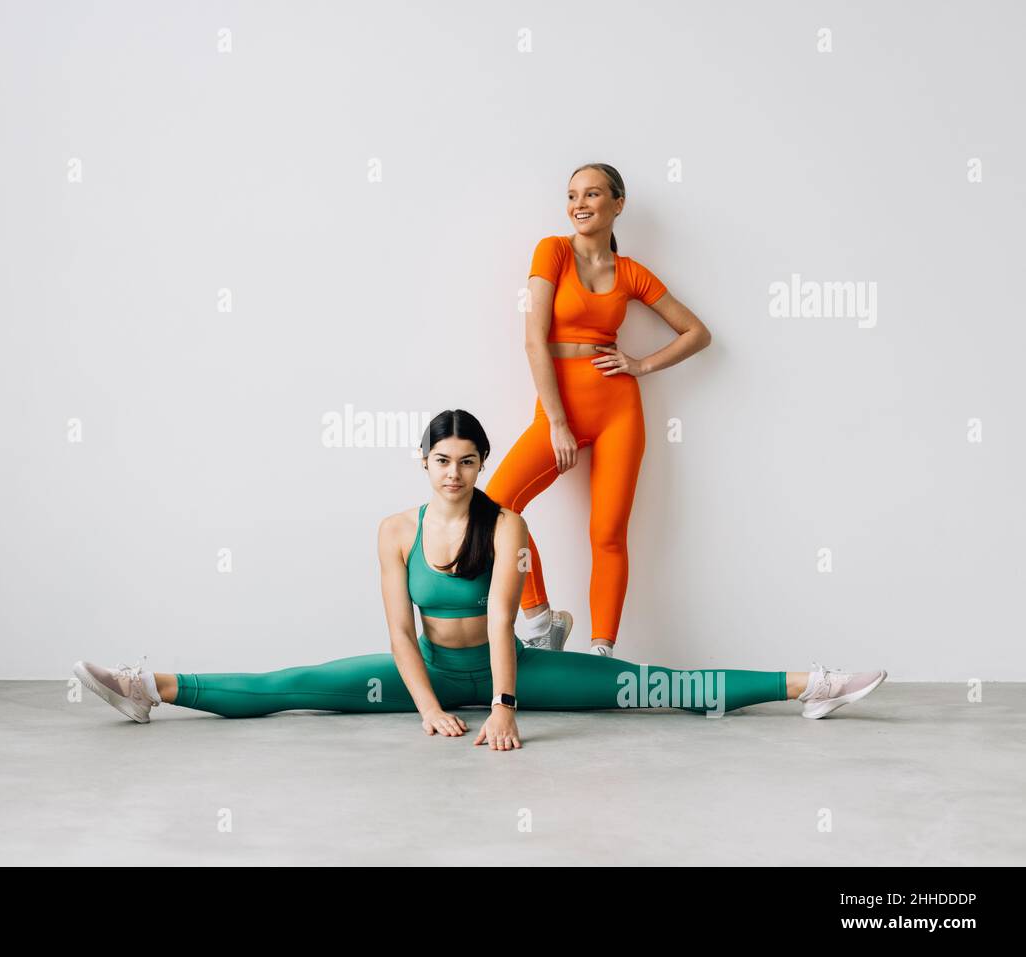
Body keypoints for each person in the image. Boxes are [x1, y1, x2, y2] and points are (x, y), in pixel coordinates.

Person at [72, 410, 886, 750]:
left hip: (511, 672)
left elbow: (503, 621)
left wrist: (504, 710)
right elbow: (398, 632)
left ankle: (812, 681)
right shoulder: (396, 529)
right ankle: (149, 685)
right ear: (423, 463)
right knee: (293, 682)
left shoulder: (507, 524)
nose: (455, 470)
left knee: (656, 686)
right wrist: (428, 707)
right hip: (423, 672)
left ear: (481, 464)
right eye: (442, 460)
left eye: (468, 460)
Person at [486, 163, 711, 657]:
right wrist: (558, 422)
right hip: (559, 409)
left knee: (608, 532)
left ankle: (602, 650)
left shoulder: (631, 272)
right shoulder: (553, 250)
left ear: (618, 203)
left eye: (592, 194)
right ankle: (542, 620)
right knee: (496, 508)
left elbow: (698, 333)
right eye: (571, 196)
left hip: (618, 410)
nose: (579, 204)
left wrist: (642, 364)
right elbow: (533, 341)